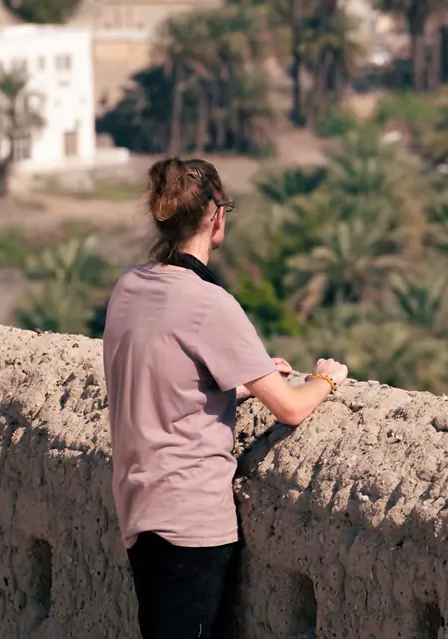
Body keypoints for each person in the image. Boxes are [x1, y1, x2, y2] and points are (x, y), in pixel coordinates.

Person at [102, 157, 350, 639]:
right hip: (190, 522)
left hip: (139, 507)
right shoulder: (209, 302)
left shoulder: (130, 286)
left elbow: (165, 379)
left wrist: (241, 380)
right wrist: (325, 380)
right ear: (217, 216)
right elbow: (290, 409)